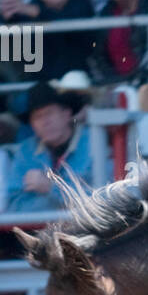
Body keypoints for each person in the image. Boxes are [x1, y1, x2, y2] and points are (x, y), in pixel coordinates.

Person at [0, 0, 93, 82]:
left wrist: (37, 12)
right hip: (41, 86)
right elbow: (14, 49)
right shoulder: (28, 9)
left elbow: (66, 22)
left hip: (79, 82)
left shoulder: (82, 5)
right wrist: (8, 16)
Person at [6, 79, 92, 212]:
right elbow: (15, 208)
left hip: (91, 229)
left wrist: (50, 188)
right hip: (38, 231)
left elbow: (101, 199)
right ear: (32, 125)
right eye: (37, 117)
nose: (44, 122)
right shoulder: (25, 151)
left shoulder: (94, 142)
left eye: (49, 113)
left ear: (67, 113)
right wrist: (64, 202)